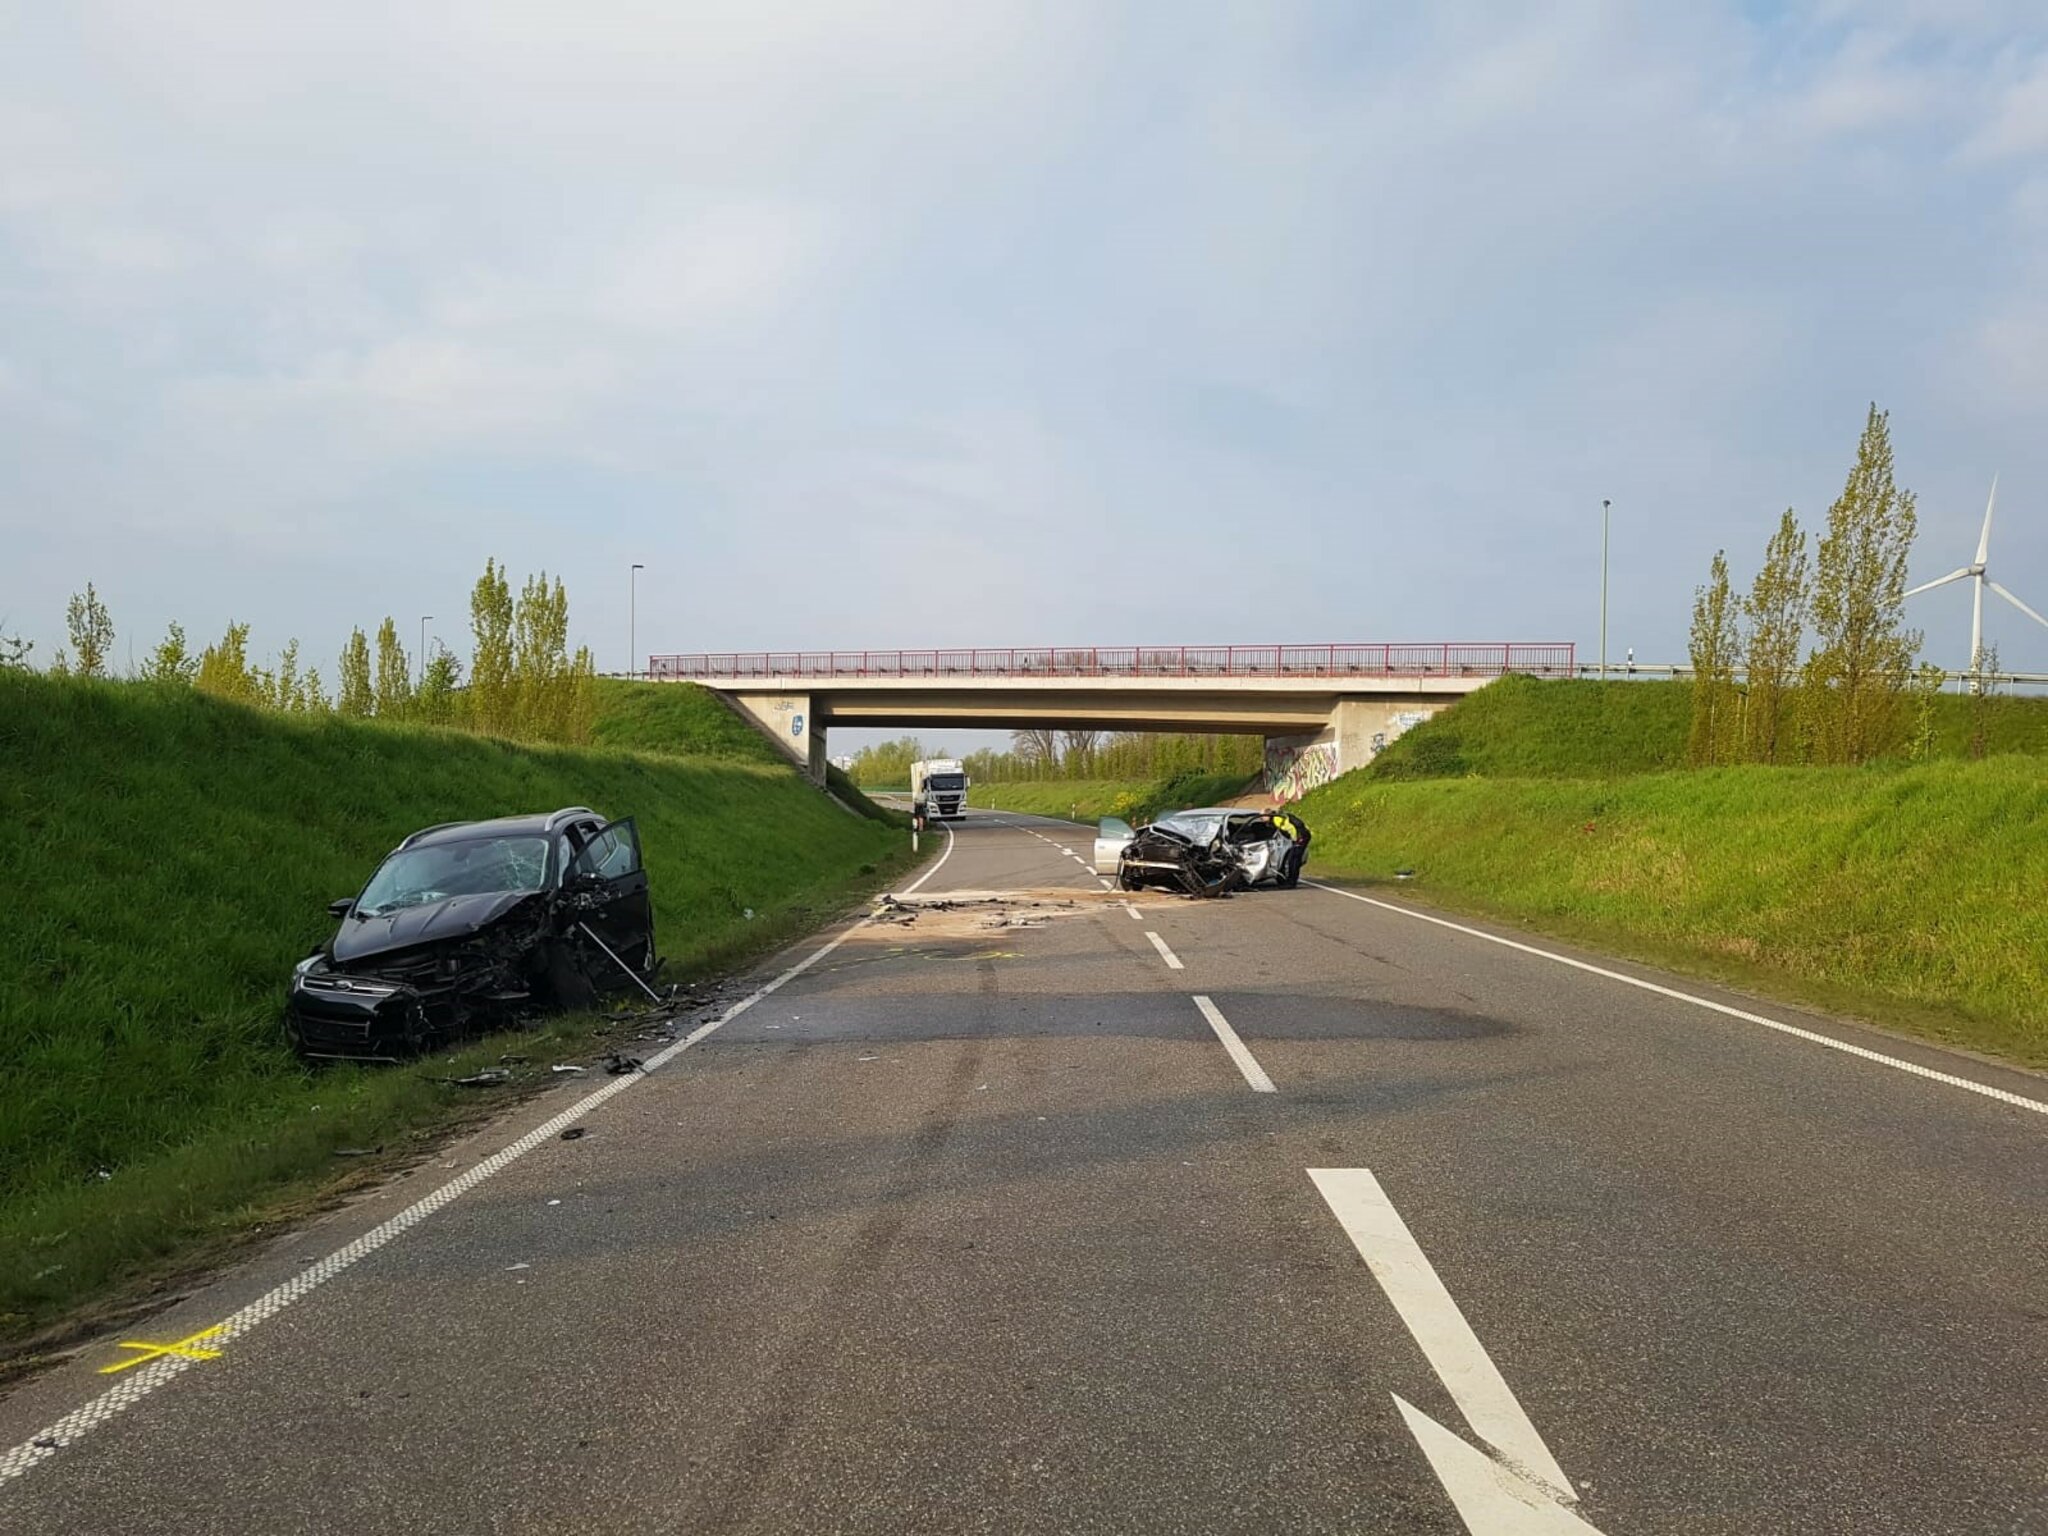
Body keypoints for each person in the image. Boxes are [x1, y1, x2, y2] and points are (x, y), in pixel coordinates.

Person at [1269, 806, 1311, 887]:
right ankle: (1291, 881)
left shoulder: (1276, 820)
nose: (1262, 820)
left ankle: (1291, 882)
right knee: (1294, 859)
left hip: (1301, 837)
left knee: (1294, 860)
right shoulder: (1282, 816)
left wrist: (1296, 839)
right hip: (1303, 835)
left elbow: (1286, 830)